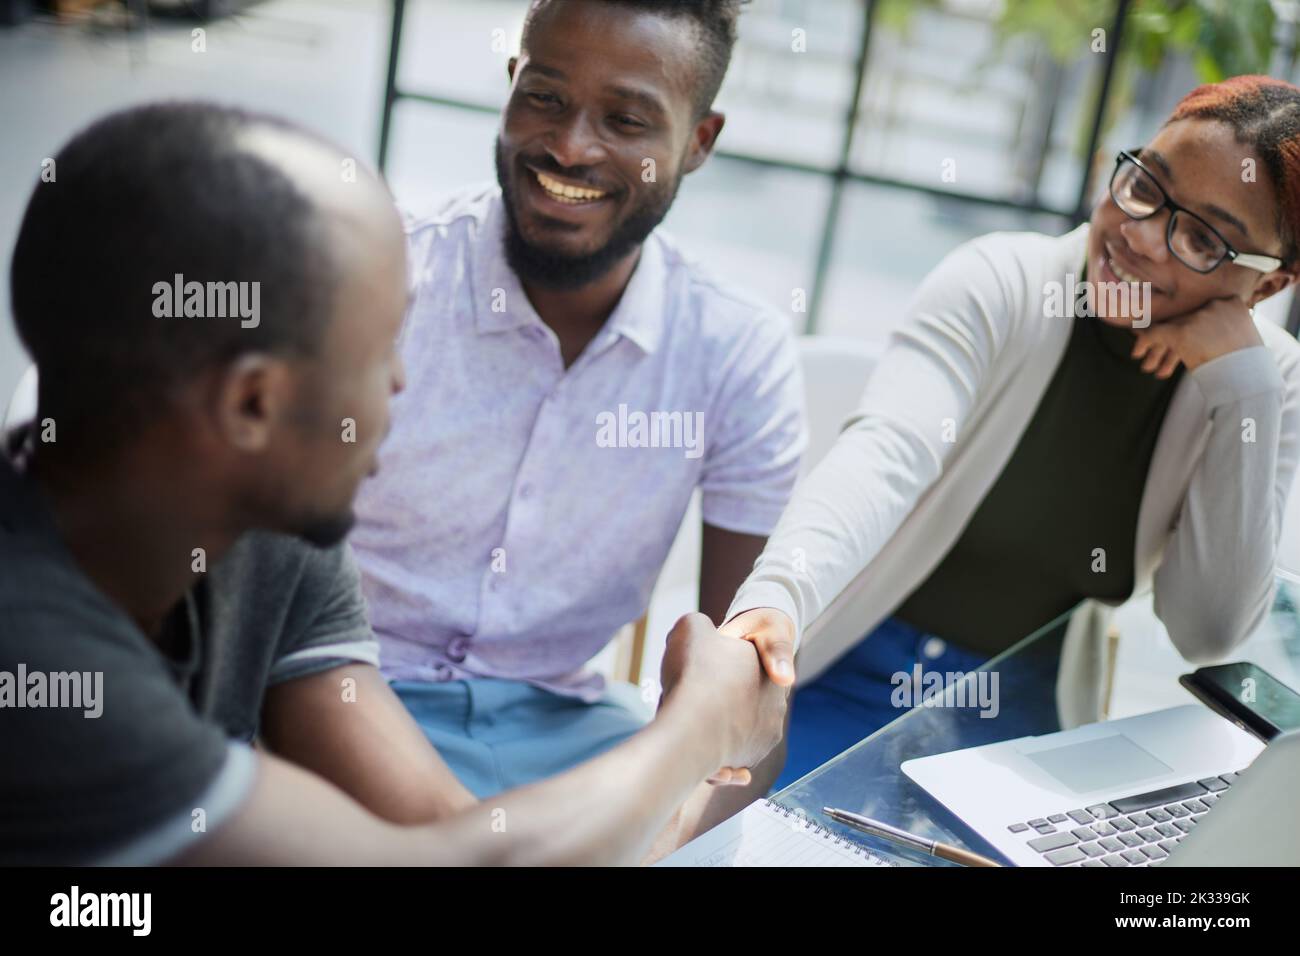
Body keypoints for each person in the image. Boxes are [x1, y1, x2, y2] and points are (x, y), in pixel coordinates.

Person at [0, 102, 785, 865]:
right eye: (378, 353)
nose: (403, 382)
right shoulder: (43, 668)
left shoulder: (263, 530)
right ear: (253, 404)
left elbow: (453, 831)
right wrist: (700, 727)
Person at [718, 75, 1300, 792]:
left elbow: (1208, 630)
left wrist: (1242, 386)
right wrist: (777, 597)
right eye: (1146, 183)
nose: (1142, 235)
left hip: (1018, 711)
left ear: (1267, 287)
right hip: (846, 666)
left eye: (1203, 237)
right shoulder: (1004, 282)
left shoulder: (1265, 387)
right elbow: (884, 454)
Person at [349, 0, 804, 798]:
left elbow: (744, 705)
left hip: (560, 739)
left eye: (627, 120)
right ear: (511, 82)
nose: (569, 146)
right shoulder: (379, 275)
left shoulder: (736, 352)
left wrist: (673, 833)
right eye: (545, 97)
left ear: (698, 142)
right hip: (328, 700)